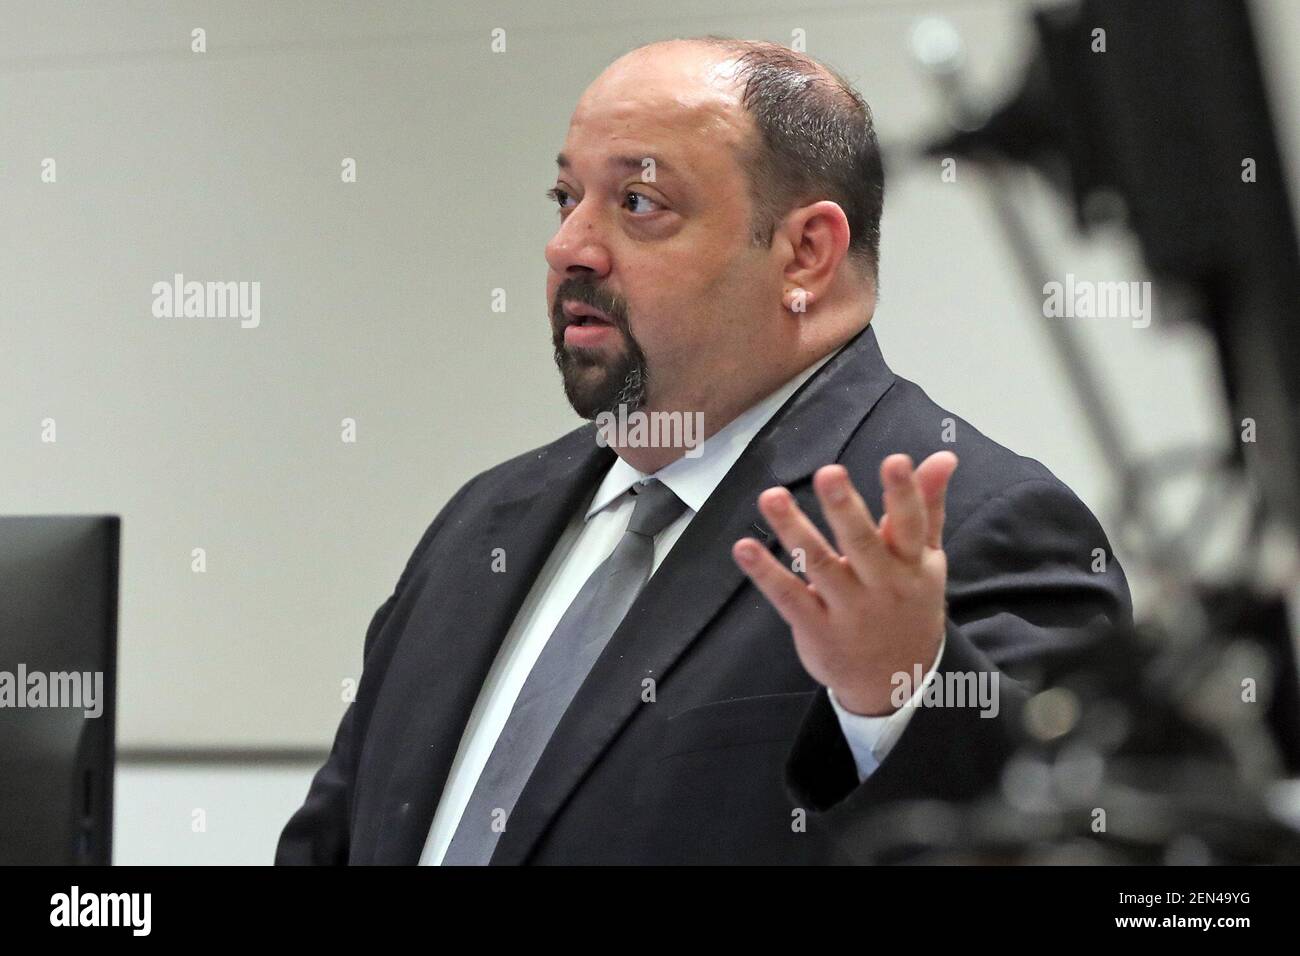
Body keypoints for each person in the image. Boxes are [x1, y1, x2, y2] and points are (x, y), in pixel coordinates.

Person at [276, 36, 1131, 865]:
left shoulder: (972, 527)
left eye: (639, 204)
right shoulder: (480, 527)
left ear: (806, 252)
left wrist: (903, 694)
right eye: (565, 198)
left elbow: (1065, 838)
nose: (568, 246)